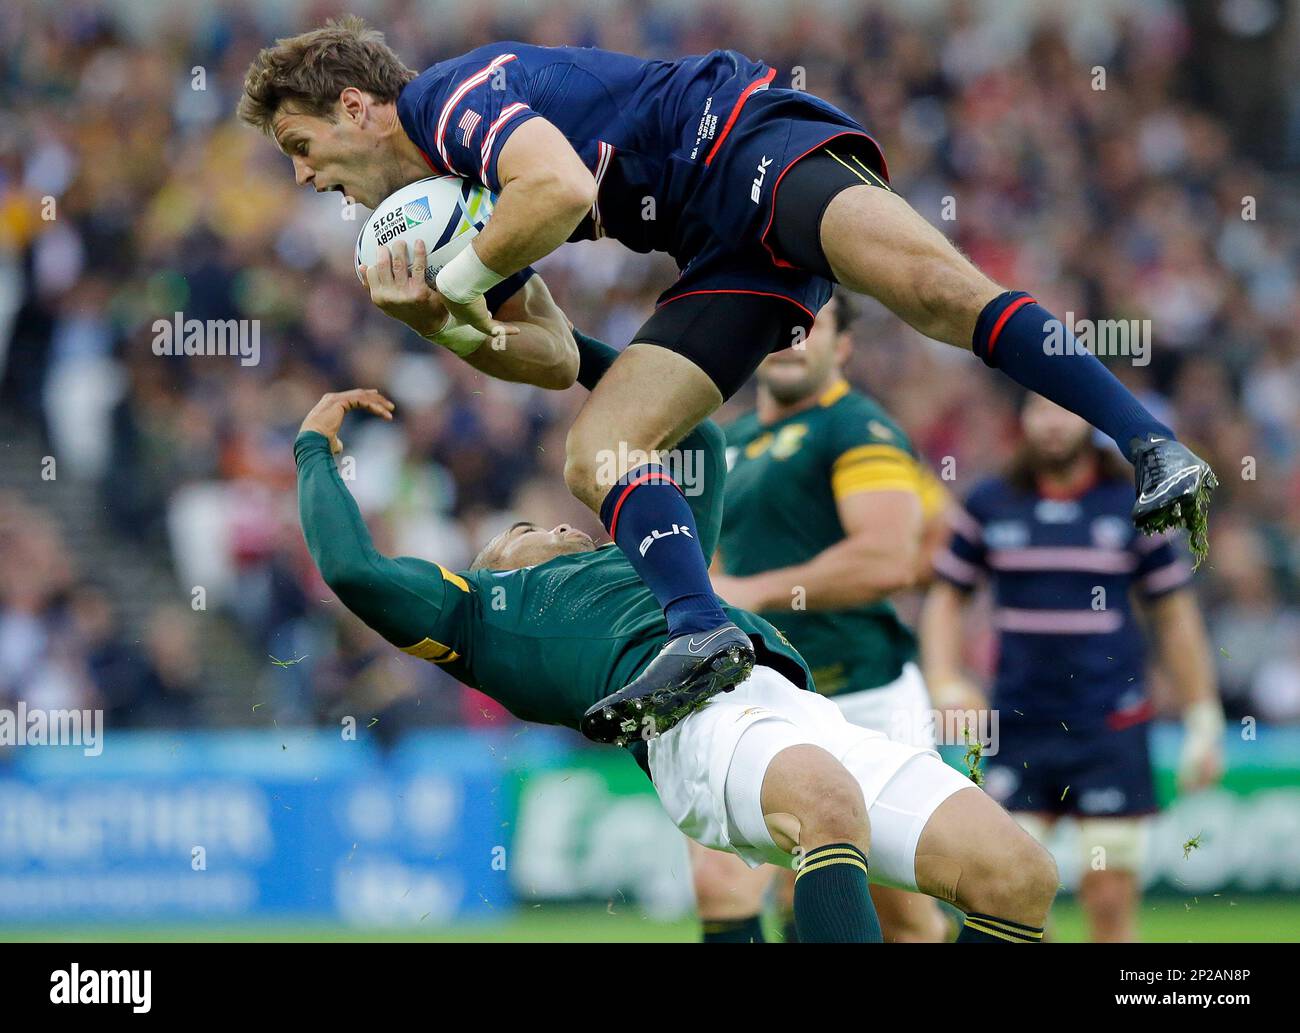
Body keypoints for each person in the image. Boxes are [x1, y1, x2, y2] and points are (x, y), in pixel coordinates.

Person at [242, 16, 1215, 742]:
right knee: (597, 450)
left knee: (933, 292)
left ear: (359, 110)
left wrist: (458, 280)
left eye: (300, 146)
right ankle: (701, 632)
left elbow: (565, 189)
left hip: (744, 146)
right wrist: (441, 323)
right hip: (714, 249)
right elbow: (544, 357)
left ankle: (1148, 442)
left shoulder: (447, 102)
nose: (302, 176)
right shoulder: (462, 195)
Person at [293, 330, 1057, 943]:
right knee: (824, 804)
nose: (554, 522)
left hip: (802, 709)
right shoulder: (479, 612)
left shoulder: (655, 554)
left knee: (1019, 874)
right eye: (521, 529)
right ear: (491, 561)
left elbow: (696, 436)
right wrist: (315, 448)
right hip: (693, 728)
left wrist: (573, 355)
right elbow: (353, 568)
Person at [689, 292, 950, 943]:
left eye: (809, 325)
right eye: (777, 323)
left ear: (843, 345)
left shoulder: (859, 426)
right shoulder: (730, 440)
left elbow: (889, 558)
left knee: (905, 915)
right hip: (761, 695)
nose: (790, 336)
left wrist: (748, 591)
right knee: (721, 884)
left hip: (864, 694)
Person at [920, 394, 1225, 942]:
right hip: (1017, 724)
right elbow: (946, 598)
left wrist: (1204, 716)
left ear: (1088, 419)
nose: (1053, 423)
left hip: (1109, 725)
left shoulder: (1134, 503)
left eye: (1064, 409)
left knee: (1108, 898)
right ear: (1022, 421)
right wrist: (944, 679)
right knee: (1004, 890)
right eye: (1039, 410)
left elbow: (1174, 612)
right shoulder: (991, 502)